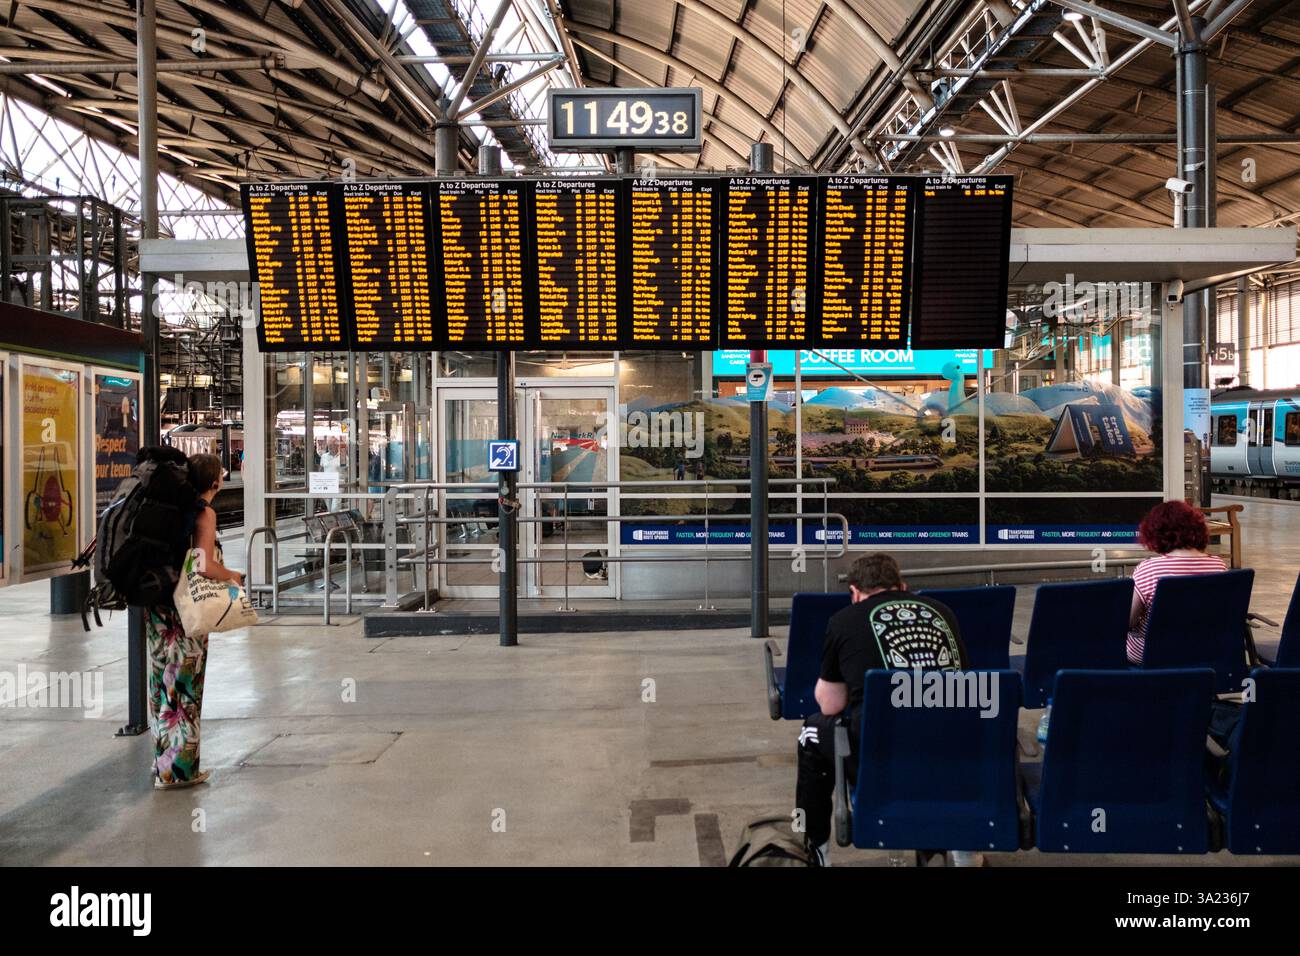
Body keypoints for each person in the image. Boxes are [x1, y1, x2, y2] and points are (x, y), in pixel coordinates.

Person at [795, 554, 968, 865]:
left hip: (879, 758)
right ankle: (940, 848)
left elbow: (830, 704)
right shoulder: (943, 612)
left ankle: (816, 849)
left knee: (810, 732)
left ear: (855, 592)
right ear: (902, 586)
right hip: (951, 752)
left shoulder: (843, 620)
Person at [145, 453, 243, 790]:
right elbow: (201, 565)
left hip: (158, 607)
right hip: (185, 612)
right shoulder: (203, 512)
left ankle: (162, 764)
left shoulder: (171, 509)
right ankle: (179, 772)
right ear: (214, 481)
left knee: (161, 684)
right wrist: (232, 575)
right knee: (184, 688)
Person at [1126, 500, 1226, 666]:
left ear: (1156, 532)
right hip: (1202, 653)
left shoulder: (1149, 569)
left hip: (1153, 655)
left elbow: (1128, 619)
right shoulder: (1218, 566)